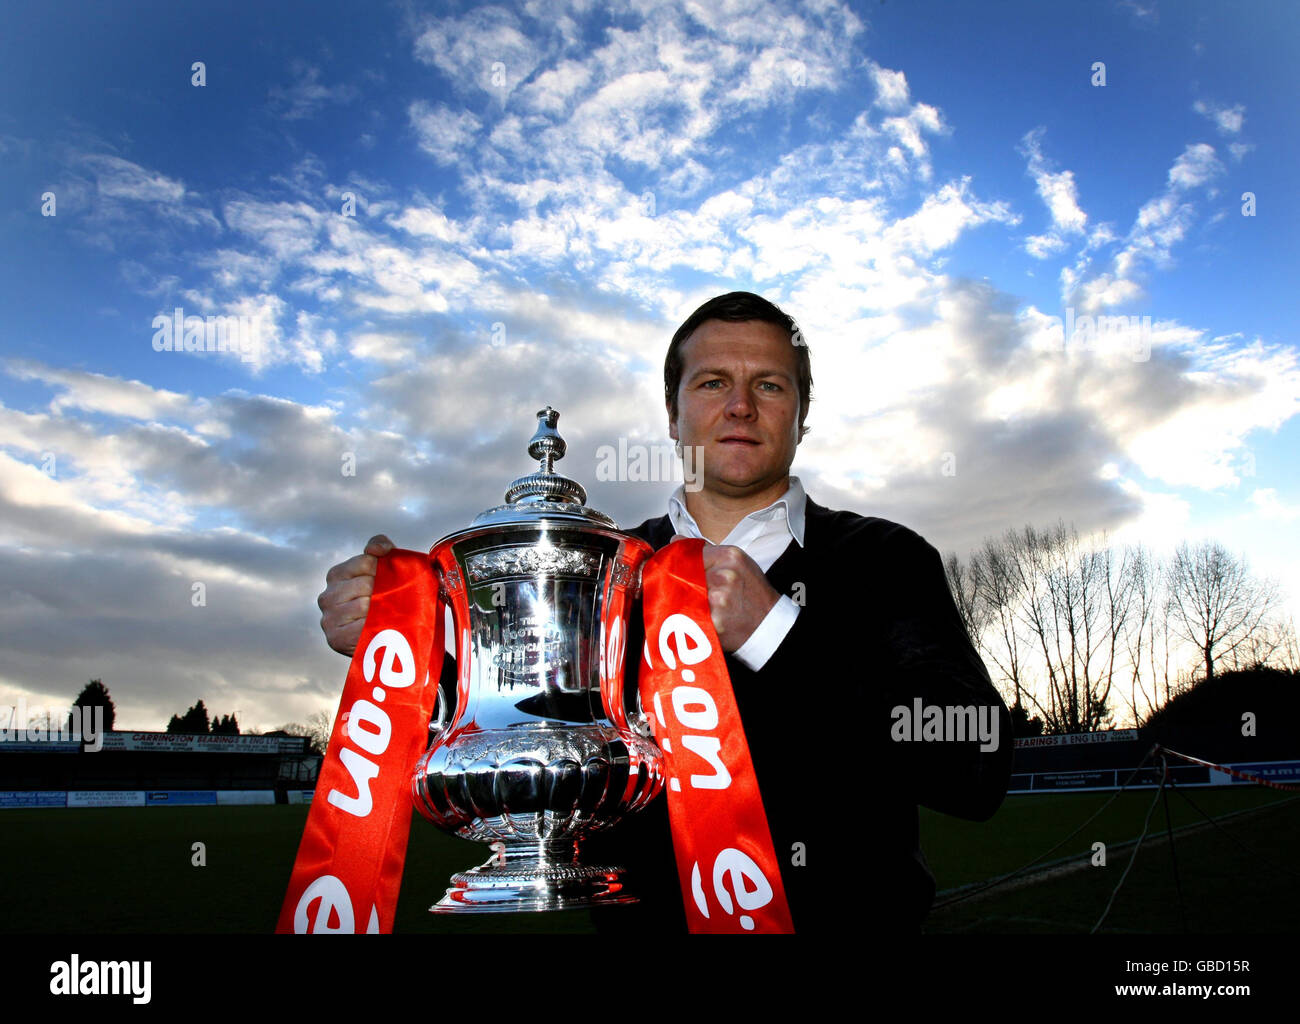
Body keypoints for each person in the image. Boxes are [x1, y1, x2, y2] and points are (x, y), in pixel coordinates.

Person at [317, 291, 1013, 932]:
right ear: (672, 411)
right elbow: (532, 732)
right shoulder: (598, 571)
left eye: (769, 385)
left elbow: (976, 767)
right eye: (712, 382)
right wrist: (413, 644)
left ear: (802, 411)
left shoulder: (883, 559)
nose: (740, 405)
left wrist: (776, 633)